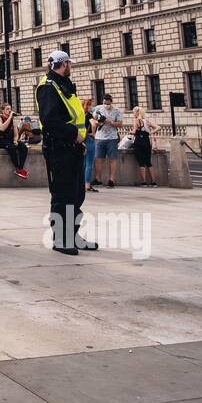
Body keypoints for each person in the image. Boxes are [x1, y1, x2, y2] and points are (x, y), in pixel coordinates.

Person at [36, 50, 96, 255]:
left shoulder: (63, 85)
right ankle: (61, 239)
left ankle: (74, 235)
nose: (71, 66)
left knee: (76, 195)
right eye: (69, 63)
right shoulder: (48, 87)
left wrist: (79, 140)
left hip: (73, 148)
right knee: (62, 196)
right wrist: (75, 135)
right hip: (59, 148)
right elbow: (50, 121)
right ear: (63, 64)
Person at [90, 93, 123, 189]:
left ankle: (111, 180)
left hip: (112, 138)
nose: (106, 105)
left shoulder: (117, 110)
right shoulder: (98, 108)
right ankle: (98, 179)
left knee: (112, 159)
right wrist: (99, 121)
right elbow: (93, 119)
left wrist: (111, 122)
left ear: (111, 102)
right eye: (105, 103)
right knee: (98, 159)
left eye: (108, 103)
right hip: (100, 137)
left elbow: (120, 124)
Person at [131, 107, 160, 187]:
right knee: (148, 162)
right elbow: (158, 127)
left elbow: (134, 131)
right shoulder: (147, 121)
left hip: (139, 142)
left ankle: (144, 182)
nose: (133, 114)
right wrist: (150, 133)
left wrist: (130, 132)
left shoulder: (136, 120)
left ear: (137, 112)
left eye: (134, 112)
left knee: (141, 162)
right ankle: (153, 182)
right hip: (147, 142)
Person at [80, 98, 98, 194]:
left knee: (83, 163)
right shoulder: (89, 115)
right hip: (89, 139)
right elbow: (93, 124)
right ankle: (87, 184)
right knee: (89, 163)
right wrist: (94, 133)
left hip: (81, 139)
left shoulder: (80, 115)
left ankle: (82, 183)